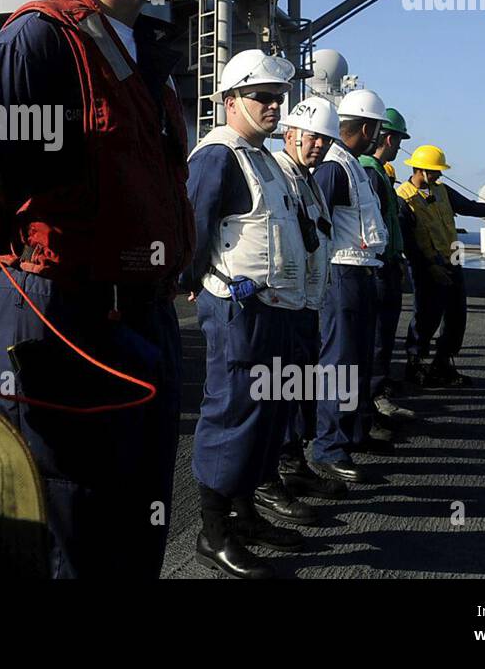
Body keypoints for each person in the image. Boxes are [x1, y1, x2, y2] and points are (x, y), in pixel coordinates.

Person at [0, 0, 214, 579]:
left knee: (134, 540)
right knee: (65, 543)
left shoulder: (149, 64)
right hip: (62, 328)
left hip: (147, 327)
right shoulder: (37, 44)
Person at [183, 50, 312, 580]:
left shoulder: (262, 157)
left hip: (277, 307)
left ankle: (246, 515)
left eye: (277, 98)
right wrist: (191, 282)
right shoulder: (217, 155)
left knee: (267, 417)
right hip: (240, 309)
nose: (274, 107)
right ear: (230, 100)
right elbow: (193, 225)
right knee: (234, 415)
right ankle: (213, 535)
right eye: (262, 97)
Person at [265, 96, 348, 507]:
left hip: (307, 302)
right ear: (290, 133)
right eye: (312, 137)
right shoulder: (277, 173)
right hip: (283, 302)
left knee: (300, 388)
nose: (318, 145)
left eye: (325, 140)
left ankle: (294, 464)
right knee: (278, 391)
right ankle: (274, 472)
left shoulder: (309, 179)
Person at [308, 89, 389, 484]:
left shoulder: (352, 165)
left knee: (356, 361)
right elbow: (316, 223)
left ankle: (352, 433)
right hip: (340, 275)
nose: (377, 136)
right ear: (366, 127)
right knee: (338, 363)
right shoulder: (334, 167)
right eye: (375, 128)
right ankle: (328, 448)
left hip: (360, 273)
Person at [396, 145, 485, 387]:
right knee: (426, 315)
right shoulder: (404, 199)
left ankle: (442, 363)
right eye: (435, 171)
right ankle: (414, 364)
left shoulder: (443, 191)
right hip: (426, 267)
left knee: (456, 316)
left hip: (451, 262)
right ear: (421, 169)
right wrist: (429, 266)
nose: (439, 175)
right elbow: (409, 243)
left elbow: (470, 207)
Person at [360, 107, 415, 424]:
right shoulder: (370, 171)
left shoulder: (376, 170)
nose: (399, 147)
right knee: (378, 335)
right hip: (380, 267)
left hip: (386, 264)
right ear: (389, 138)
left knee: (381, 334)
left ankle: (377, 392)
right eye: (398, 140)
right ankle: (375, 398)